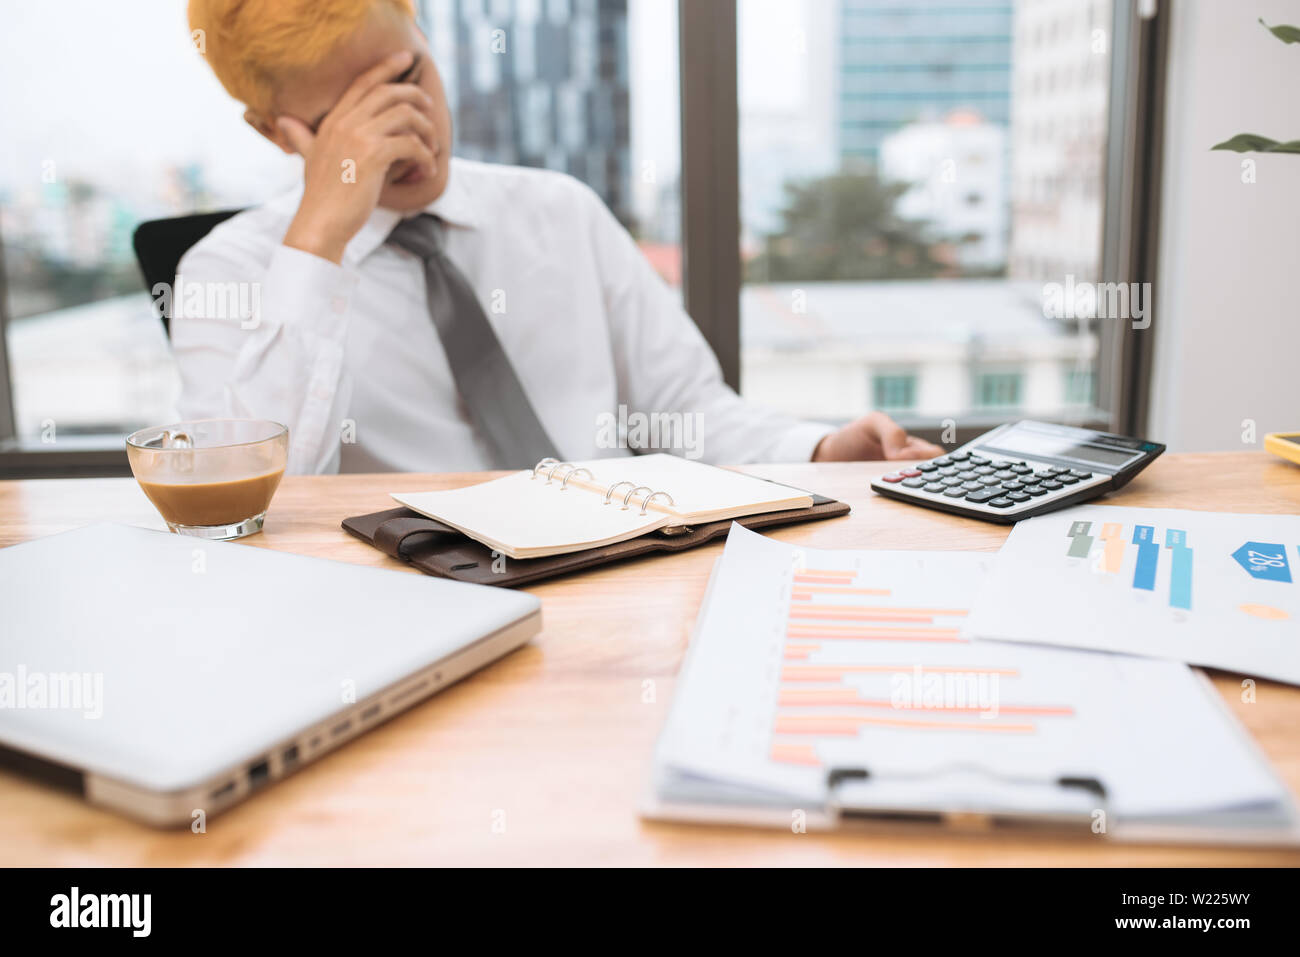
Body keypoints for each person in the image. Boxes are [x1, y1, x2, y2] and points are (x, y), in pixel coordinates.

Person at [178, 0, 942, 473]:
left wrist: (818, 452)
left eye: (407, 80)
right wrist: (319, 243)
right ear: (274, 133)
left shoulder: (561, 212)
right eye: (346, 124)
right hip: (407, 616)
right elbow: (249, 503)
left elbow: (683, 408)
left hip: (612, 578)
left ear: (424, 29)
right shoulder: (229, 271)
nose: (404, 138)